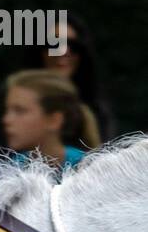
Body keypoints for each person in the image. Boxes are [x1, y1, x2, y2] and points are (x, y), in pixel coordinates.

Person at [21, 12, 111, 144]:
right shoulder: (15, 97)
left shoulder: (96, 109)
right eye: (55, 43)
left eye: (73, 46)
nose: (64, 51)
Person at [2, 70, 90, 170]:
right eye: (7, 110)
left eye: (20, 111)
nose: (6, 120)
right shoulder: (13, 168)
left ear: (54, 120)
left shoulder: (86, 168)